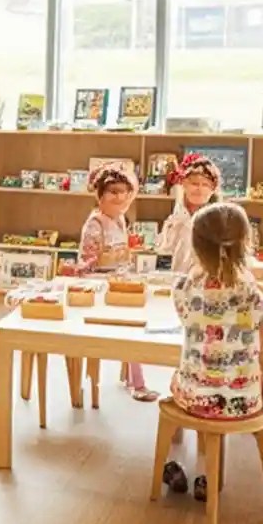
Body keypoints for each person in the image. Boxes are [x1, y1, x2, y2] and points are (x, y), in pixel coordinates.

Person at [160, 202, 263, 501]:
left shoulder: (183, 287)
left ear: (195, 245)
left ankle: (172, 464)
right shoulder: (248, 289)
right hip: (243, 402)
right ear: (246, 242)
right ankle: (209, 476)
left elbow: (190, 323)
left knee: (174, 386)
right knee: (242, 383)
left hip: (194, 398)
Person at [75, 161, 157, 402]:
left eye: (124, 192)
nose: (119, 197)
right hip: (98, 285)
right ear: (100, 194)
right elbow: (88, 261)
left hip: (119, 281)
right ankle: (137, 382)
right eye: (113, 191)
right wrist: (115, 256)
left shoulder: (121, 219)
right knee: (132, 322)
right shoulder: (96, 222)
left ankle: (133, 376)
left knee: (140, 314)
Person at [155, 153, 221, 274]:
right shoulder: (175, 220)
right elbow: (164, 254)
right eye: (194, 184)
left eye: (205, 185)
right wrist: (162, 279)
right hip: (175, 281)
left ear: (213, 190)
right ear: (184, 185)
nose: (199, 189)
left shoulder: (217, 222)